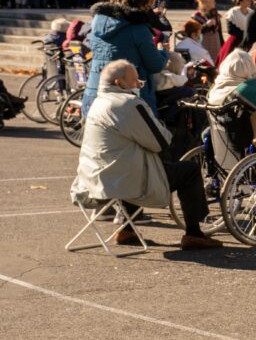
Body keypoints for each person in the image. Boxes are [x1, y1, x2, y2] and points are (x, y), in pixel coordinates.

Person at [71, 59, 218, 250]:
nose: (139, 84)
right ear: (119, 83)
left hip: (93, 178)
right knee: (189, 170)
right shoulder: (128, 104)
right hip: (121, 180)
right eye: (135, 81)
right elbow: (160, 141)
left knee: (134, 161)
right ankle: (194, 233)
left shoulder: (98, 102)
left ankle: (127, 229)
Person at [80, 0, 170, 117]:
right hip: (127, 100)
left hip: (94, 95)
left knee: (95, 137)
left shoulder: (97, 22)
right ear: (143, 5)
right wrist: (163, 52)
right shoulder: (139, 29)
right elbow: (155, 65)